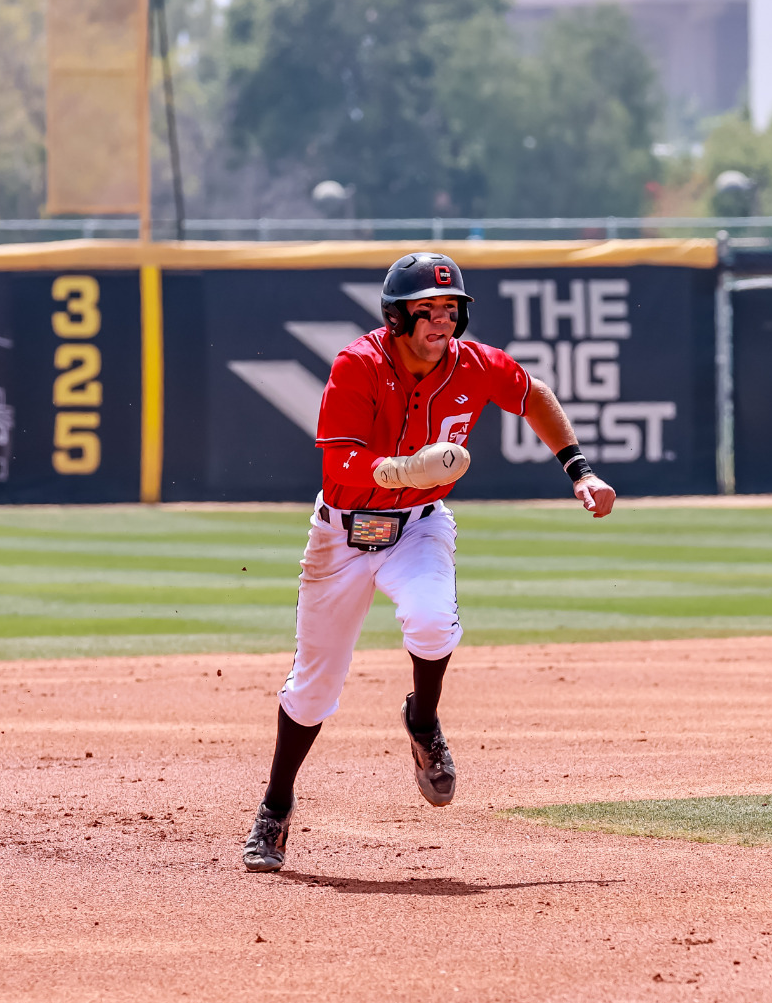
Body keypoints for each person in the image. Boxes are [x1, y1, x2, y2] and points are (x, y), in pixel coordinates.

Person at [240, 252, 616, 872]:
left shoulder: (476, 365)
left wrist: (580, 471)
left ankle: (422, 720)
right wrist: (402, 470)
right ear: (397, 317)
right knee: (312, 690)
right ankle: (274, 809)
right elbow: (338, 464)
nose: (442, 321)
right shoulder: (358, 365)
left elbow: (533, 395)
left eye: (451, 309)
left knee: (433, 620)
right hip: (342, 536)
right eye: (427, 310)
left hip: (418, 527)